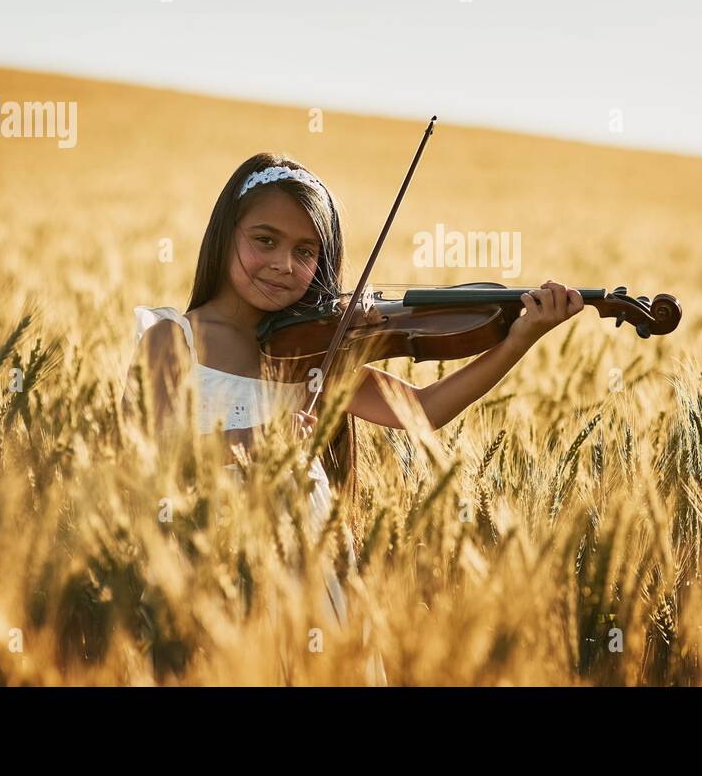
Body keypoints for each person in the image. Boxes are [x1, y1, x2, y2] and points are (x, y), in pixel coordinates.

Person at [122, 152, 584, 682]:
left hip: (307, 563)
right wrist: (255, 440)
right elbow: (151, 450)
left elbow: (423, 412)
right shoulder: (172, 337)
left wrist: (519, 341)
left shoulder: (312, 353)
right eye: (264, 240)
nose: (284, 265)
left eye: (306, 252)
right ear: (226, 233)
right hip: (204, 557)